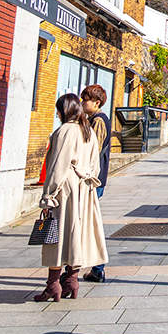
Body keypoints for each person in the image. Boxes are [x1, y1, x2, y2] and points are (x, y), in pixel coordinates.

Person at [34, 93, 107, 302]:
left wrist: (48, 196)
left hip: (66, 191)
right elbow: (95, 164)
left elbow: (58, 166)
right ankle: (72, 282)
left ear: (64, 110)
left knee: (56, 237)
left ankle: (53, 285)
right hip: (84, 190)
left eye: (58, 110)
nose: (57, 114)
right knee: (76, 237)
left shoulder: (65, 131)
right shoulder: (88, 131)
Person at [80, 85, 111, 283]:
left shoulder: (99, 121)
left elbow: (93, 150)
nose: (83, 103)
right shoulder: (92, 120)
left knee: (89, 223)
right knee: (88, 222)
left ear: (96, 102)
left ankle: (97, 268)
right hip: (93, 177)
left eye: (86, 100)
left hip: (93, 178)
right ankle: (93, 268)